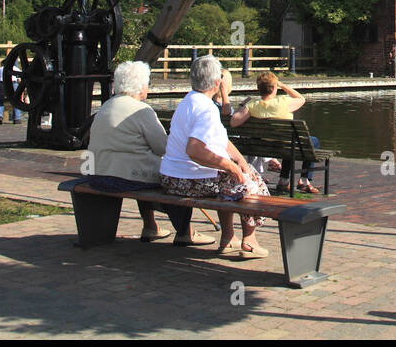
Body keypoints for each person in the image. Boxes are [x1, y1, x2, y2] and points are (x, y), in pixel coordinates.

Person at [88, 61, 212, 245]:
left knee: (142, 169)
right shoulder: (141, 110)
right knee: (175, 175)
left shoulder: (106, 106)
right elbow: (163, 147)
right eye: (147, 83)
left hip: (97, 173)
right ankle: (186, 232)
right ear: (139, 86)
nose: (148, 87)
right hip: (125, 177)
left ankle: (150, 226)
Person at [160, 55, 270, 259]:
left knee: (233, 179)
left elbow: (221, 139)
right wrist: (230, 166)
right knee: (251, 183)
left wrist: (240, 161)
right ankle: (250, 240)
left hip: (170, 177)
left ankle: (228, 238)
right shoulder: (207, 109)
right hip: (187, 180)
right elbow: (194, 149)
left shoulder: (187, 102)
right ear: (218, 83)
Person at [230, 72, 320, 194]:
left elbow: (234, 122)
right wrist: (283, 86)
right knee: (312, 141)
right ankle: (304, 180)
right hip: (287, 145)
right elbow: (301, 99)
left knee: (290, 142)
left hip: (266, 147)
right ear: (273, 88)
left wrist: (242, 105)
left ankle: (284, 180)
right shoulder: (283, 101)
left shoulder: (252, 105)